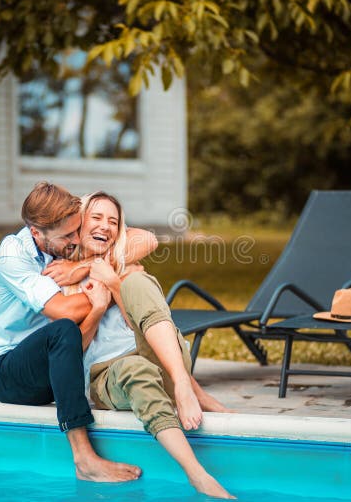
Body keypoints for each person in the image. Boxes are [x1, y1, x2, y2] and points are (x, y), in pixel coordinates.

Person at [44, 191, 234, 499]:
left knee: (137, 283)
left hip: (161, 357)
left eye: (113, 222)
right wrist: (96, 307)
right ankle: (197, 474)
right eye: (96, 218)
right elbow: (69, 351)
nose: (105, 226)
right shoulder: (60, 278)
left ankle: (184, 386)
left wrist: (113, 282)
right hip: (109, 374)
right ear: (78, 225)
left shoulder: (125, 267)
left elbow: (140, 325)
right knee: (135, 370)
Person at [0, 182, 152, 483]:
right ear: (37, 234)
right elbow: (66, 312)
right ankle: (84, 458)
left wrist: (85, 266)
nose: (76, 239)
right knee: (63, 329)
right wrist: (107, 287)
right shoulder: (13, 256)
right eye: (68, 236)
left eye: (77, 230)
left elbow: (145, 239)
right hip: (5, 373)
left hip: (56, 369)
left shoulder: (65, 244)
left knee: (71, 331)